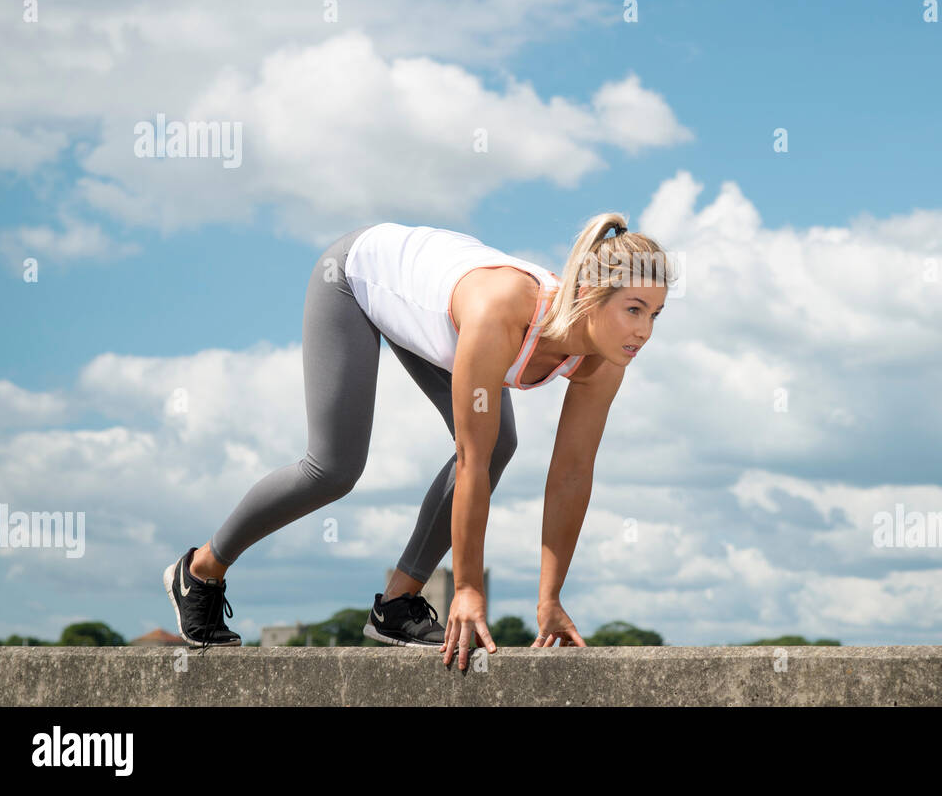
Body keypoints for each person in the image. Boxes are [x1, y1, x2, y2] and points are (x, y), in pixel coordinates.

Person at [163, 212, 672, 670]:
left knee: (499, 444)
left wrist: (549, 599)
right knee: (334, 468)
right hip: (359, 278)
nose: (644, 331)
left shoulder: (605, 361)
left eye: (655, 314)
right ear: (588, 294)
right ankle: (200, 571)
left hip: (443, 310)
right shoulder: (503, 315)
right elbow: (470, 462)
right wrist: (467, 589)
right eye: (633, 309)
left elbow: (572, 472)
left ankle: (397, 605)